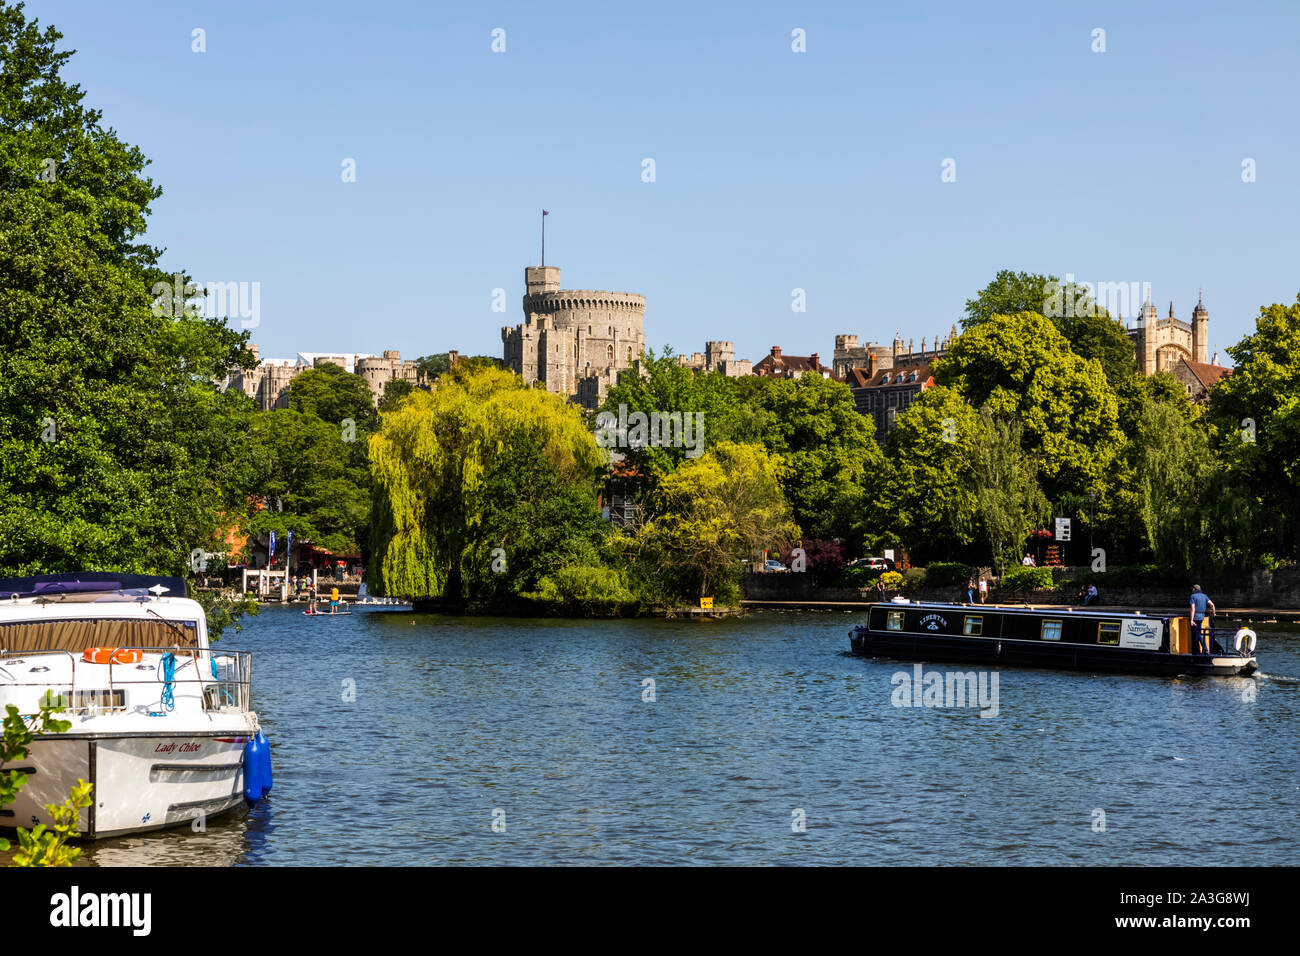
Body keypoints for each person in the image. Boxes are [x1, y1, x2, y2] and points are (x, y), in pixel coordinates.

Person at [1190, 584, 1215, 654]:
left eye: (1192, 589)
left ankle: (1205, 649)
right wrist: (1214, 613)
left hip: (1196, 617)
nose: (1192, 590)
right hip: (1202, 616)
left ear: (1195, 589)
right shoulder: (1205, 596)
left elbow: (1193, 608)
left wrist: (1191, 620)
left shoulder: (1193, 596)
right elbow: (1212, 605)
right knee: (1197, 633)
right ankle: (1198, 650)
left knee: (1198, 634)